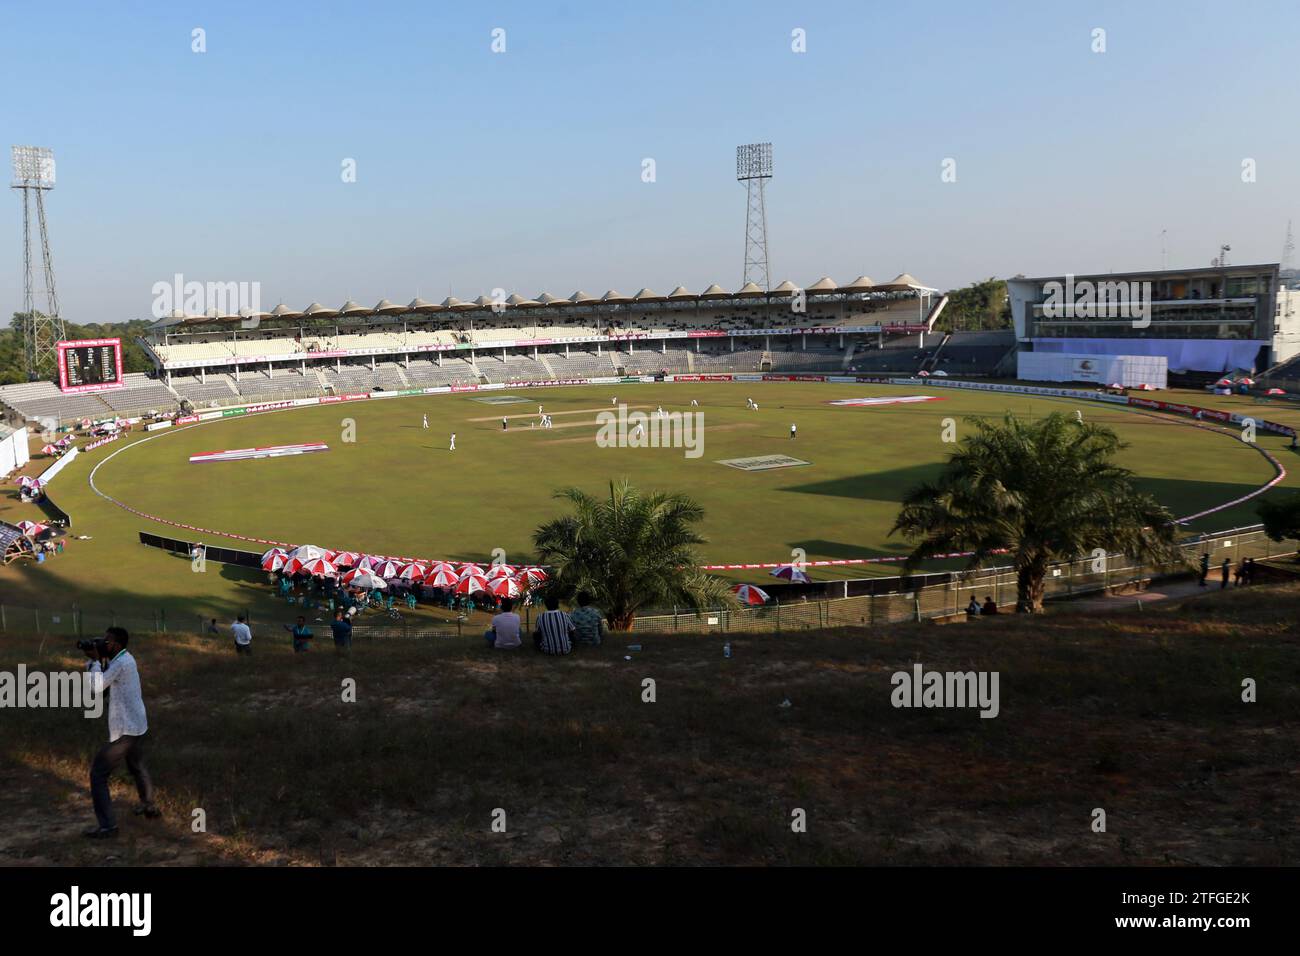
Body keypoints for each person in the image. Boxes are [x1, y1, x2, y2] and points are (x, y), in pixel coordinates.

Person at [84, 627, 159, 838]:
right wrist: (99, 660)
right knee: (137, 766)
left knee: (98, 774)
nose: (103, 643)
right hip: (137, 723)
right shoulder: (125, 658)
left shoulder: (120, 663)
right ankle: (149, 806)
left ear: (116, 644)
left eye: (106, 641)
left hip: (126, 728)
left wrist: (94, 662)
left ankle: (108, 826)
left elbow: (97, 688)